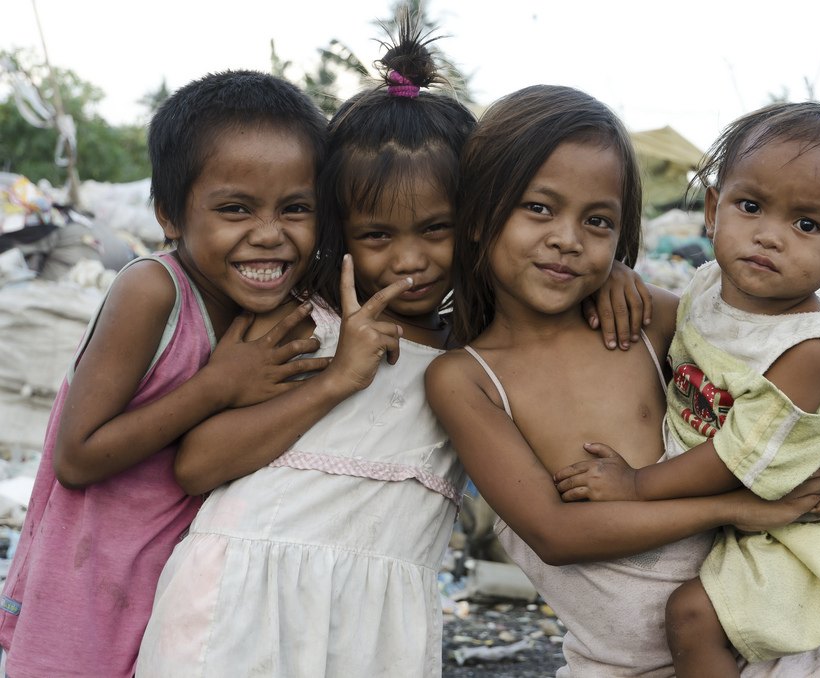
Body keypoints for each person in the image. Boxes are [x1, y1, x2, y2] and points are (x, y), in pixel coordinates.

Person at [135, 20, 645, 677]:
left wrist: (613, 275)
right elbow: (196, 466)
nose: (410, 261)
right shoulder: (302, 324)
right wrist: (335, 379)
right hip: (242, 606)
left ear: (480, 217)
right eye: (376, 236)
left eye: (437, 229)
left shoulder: (477, 352)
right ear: (336, 231)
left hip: (374, 628)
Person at [426, 85, 820, 677]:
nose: (567, 238)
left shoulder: (644, 320)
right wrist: (736, 509)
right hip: (615, 664)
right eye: (539, 208)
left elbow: (786, 384)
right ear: (481, 214)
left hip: (761, 651)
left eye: (597, 220)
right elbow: (557, 534)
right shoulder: (467, 379)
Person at [0, 71, 329, 678]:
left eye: (296, 209)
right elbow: (78, 456)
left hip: (178, 594)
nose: (269, 234)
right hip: (86, 595)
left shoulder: (281, 312)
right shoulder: (153, 292)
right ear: (169, 215)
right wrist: (218, 387)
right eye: (235, 209)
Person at [553, 101, 820, 676]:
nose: (769, 236)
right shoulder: (712, 286)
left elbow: (734, 459)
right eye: (751, 206)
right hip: (748, 514)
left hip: (800, 532)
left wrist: (636, 486)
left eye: (806, 224)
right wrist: (615, 277)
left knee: (691, 616)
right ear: (714, 208)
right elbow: (670, 318)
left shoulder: (809, 348)